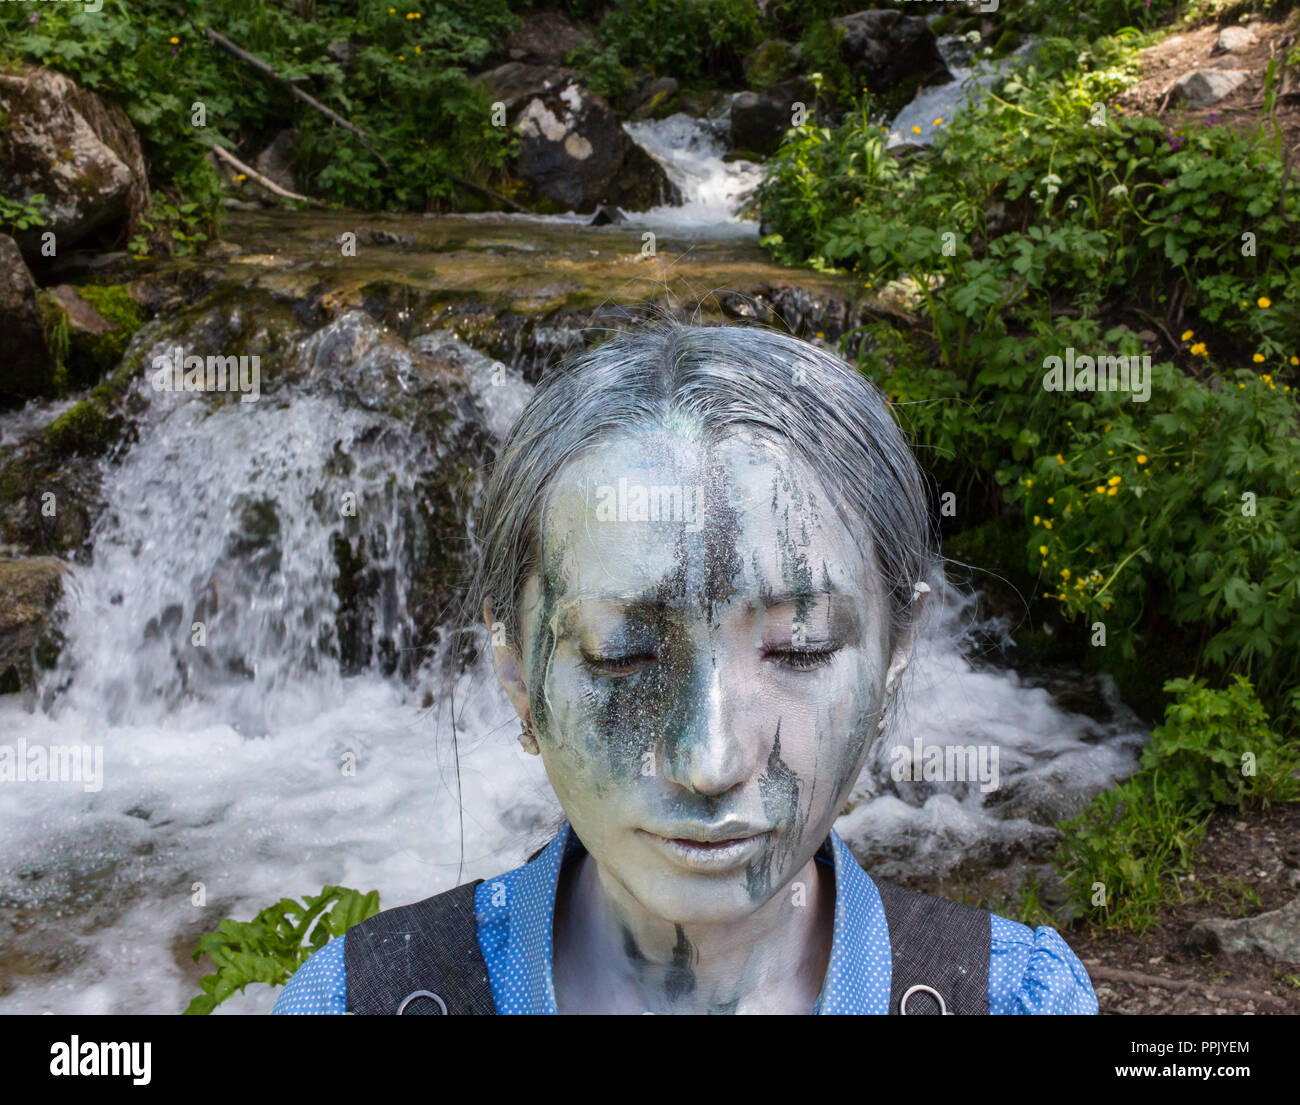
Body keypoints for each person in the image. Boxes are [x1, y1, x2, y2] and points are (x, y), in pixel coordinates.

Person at [273, 322, 1098, 1015]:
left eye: (800, 648)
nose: (710, 762)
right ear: (514, 667)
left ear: (897, 655)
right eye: (621, 654)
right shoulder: (355, 1000)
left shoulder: (1018, 999)